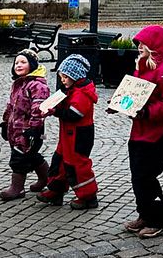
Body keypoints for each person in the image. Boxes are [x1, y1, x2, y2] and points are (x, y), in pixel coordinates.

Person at [118, 25, 163, 239]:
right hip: (138, 134)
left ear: (154, 47)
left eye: (143, 44)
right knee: (137, 178)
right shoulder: (140, 69)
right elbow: (132, 95)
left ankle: (160, 218)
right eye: (138, 44)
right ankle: (145, 213)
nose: (139, 47)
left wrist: (147, 112)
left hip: (156, 137)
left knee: (146, 178)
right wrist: (119, 104)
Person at [37, 54, 99, 210]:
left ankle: (88, 196)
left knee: (77, 165)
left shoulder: (82, 93)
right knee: (59, 160)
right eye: (61, 77)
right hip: (68, 135)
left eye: (65, 77)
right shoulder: (71, 90)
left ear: (75, 76)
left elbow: (74, 114)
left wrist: (55, 112)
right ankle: (55, 190)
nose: (62, 80)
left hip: (79, 135)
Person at [0, 49, 51, 201]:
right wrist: (6, 121)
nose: (19, 65)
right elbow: (11, 105)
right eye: (16, 62)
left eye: (23, 62)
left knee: (19, 157)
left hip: (30, 130)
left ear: (32, 65)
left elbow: (39, 109)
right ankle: (45, 178)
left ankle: (17, 188)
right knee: (31, 155)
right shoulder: (17, 84)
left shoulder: (37, 86)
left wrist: (34, 129)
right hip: (16, 128)